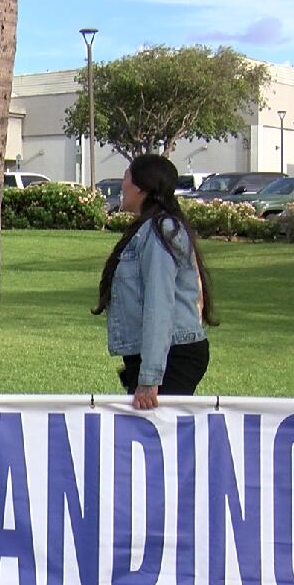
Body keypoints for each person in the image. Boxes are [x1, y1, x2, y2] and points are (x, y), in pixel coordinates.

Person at [93, 155, 216, 410]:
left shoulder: (160, 230)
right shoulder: (148, 228)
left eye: (125, 176)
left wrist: (149, 379)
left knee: (160, 442)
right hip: (163, 354)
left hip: (174, 355)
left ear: (140, 186)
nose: (121, 184)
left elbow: (159, 305)